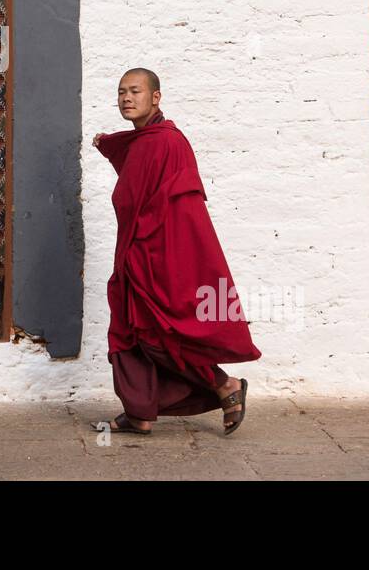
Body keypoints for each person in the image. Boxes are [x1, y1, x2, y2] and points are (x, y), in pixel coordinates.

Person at [90, 68, 261, 436]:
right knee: (131, 331)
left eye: (135, 91)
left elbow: (169, 209)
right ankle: (139, 413)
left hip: (157, 256)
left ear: (156, 97)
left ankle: (223, 384)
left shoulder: (165, 142)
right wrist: (115, 144)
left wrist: (156, 259)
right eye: (121, 92)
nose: (126, 98)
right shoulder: (150, 140)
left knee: (153, 335)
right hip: (141, 252)